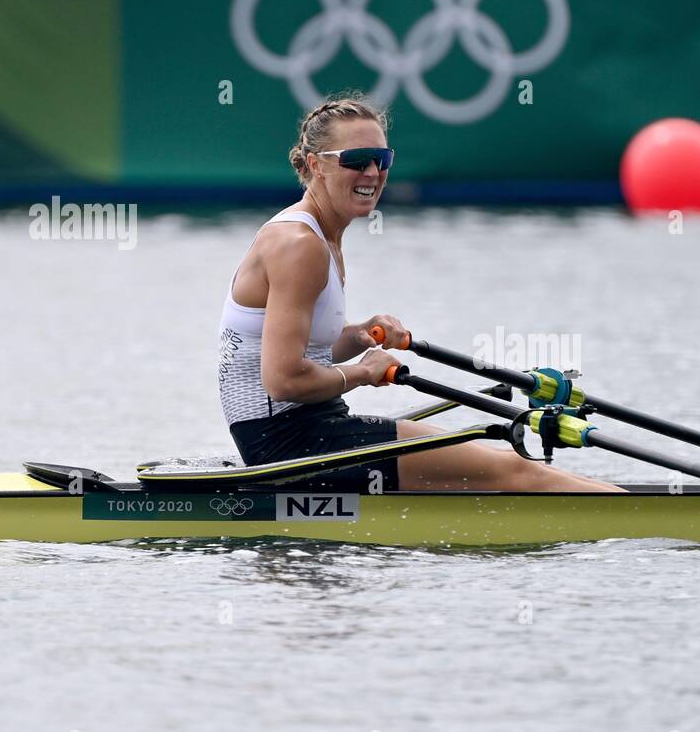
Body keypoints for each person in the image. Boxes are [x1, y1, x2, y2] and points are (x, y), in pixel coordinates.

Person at [218, 93, 620, 493]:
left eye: (382, 159)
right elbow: (283, 380)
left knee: (511, 466)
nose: (373, 172)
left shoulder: (321, 237)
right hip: (287, 445)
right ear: (314, 165)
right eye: (357, 160)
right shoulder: (298, 244)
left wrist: (360, 335)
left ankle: (628, 506)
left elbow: (307, 350)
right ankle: (645, 525)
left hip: (308, 427)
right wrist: (362, 373)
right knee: (517, 473)